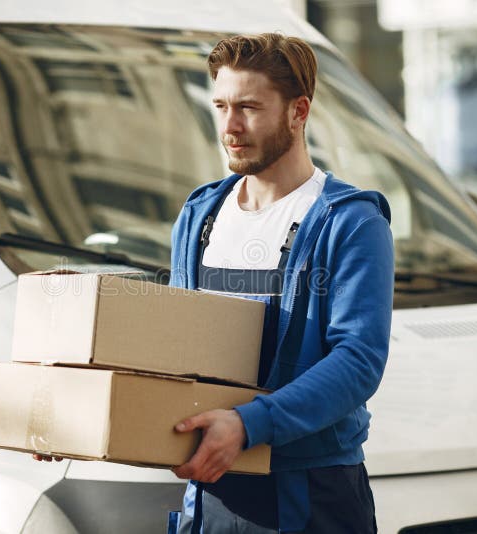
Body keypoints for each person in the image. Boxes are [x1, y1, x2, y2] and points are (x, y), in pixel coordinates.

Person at [168, 33, 394, 533]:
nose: (230, 126)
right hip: (211, 496)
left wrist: (249, 425)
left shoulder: (350, 221)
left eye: (249, 107)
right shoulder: (199, 215)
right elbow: (173, 349)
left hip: (311, 497)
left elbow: (359, 360)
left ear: (299, 111)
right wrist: (79, 427)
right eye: (221, 105)